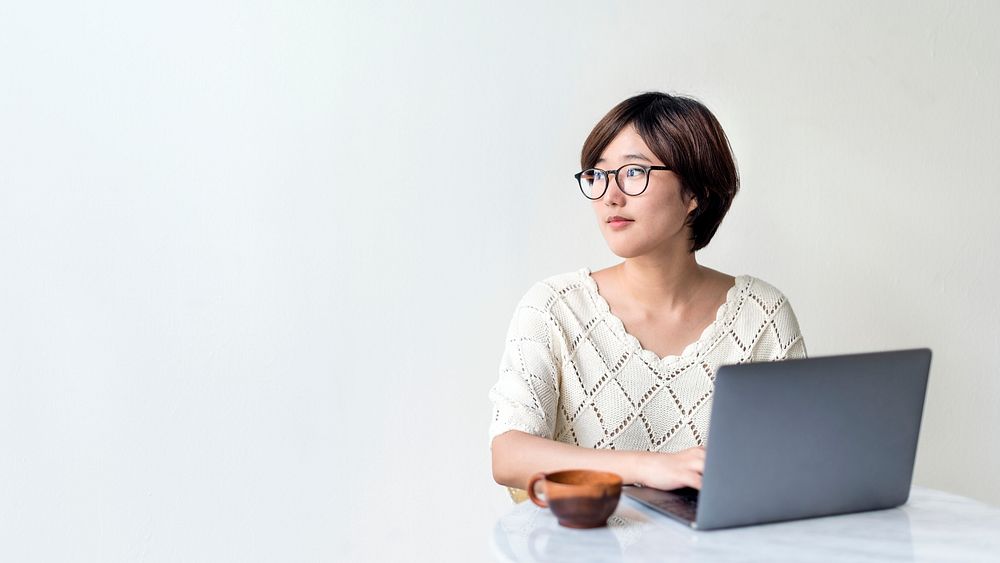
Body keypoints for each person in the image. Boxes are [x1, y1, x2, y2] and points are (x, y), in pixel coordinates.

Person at [488, 92, 807, 496]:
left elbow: (794, 460)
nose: (610, 195)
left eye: (634, 172)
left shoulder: (761, 314)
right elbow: (509, 455)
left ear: (695, 194)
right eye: (597, 175)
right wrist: (649, 467)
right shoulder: (553, 308)